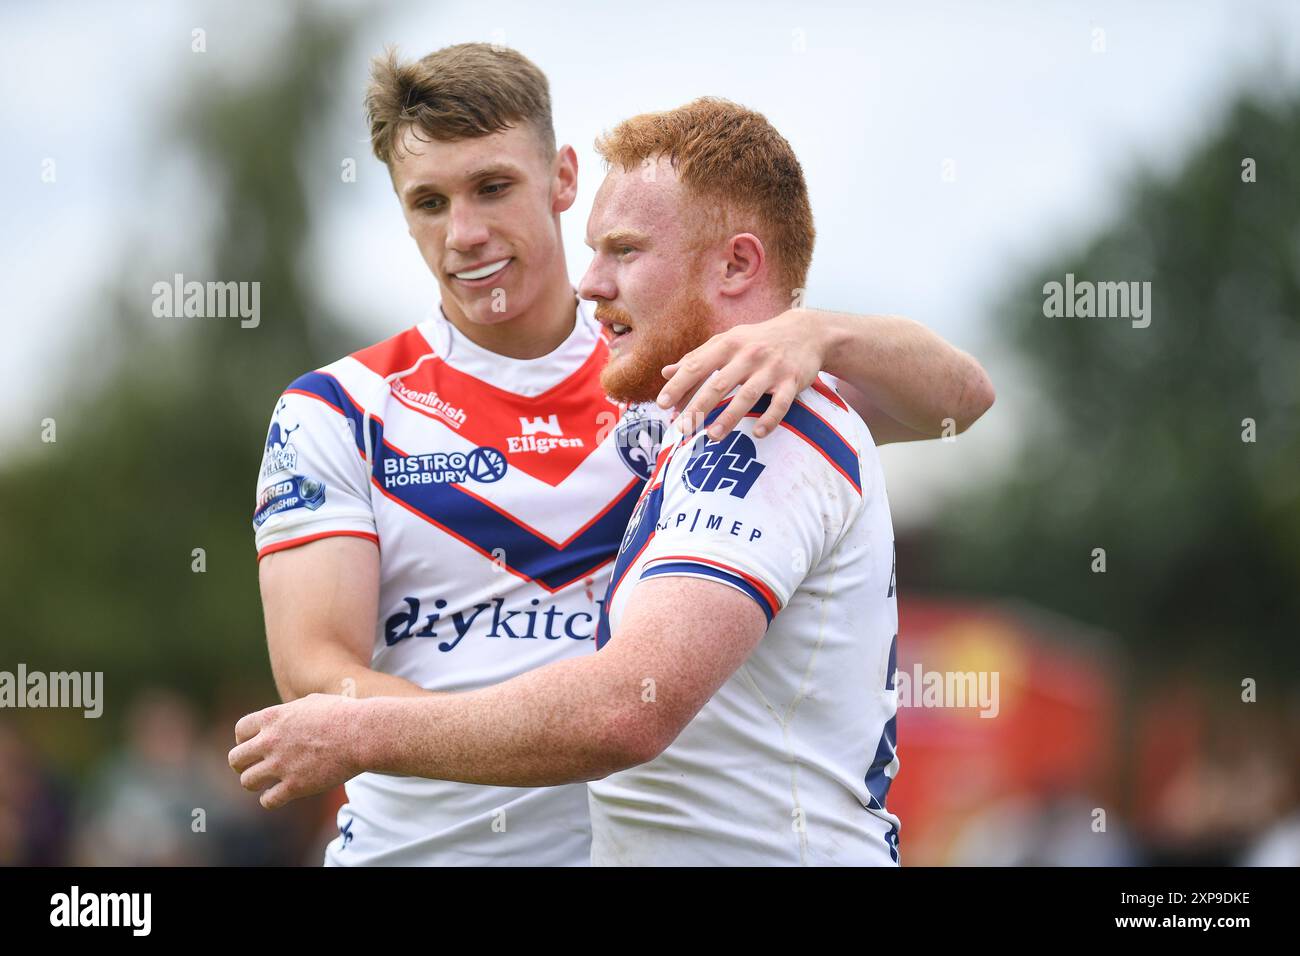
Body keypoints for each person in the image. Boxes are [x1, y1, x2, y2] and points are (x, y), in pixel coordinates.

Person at [235, 92, 987, 865]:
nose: (592, 282)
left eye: (622, 250)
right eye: (428, 201)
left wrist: (816, 329)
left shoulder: (757, 414)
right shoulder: (678, 408)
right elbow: (315, 671)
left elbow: (627, 709)